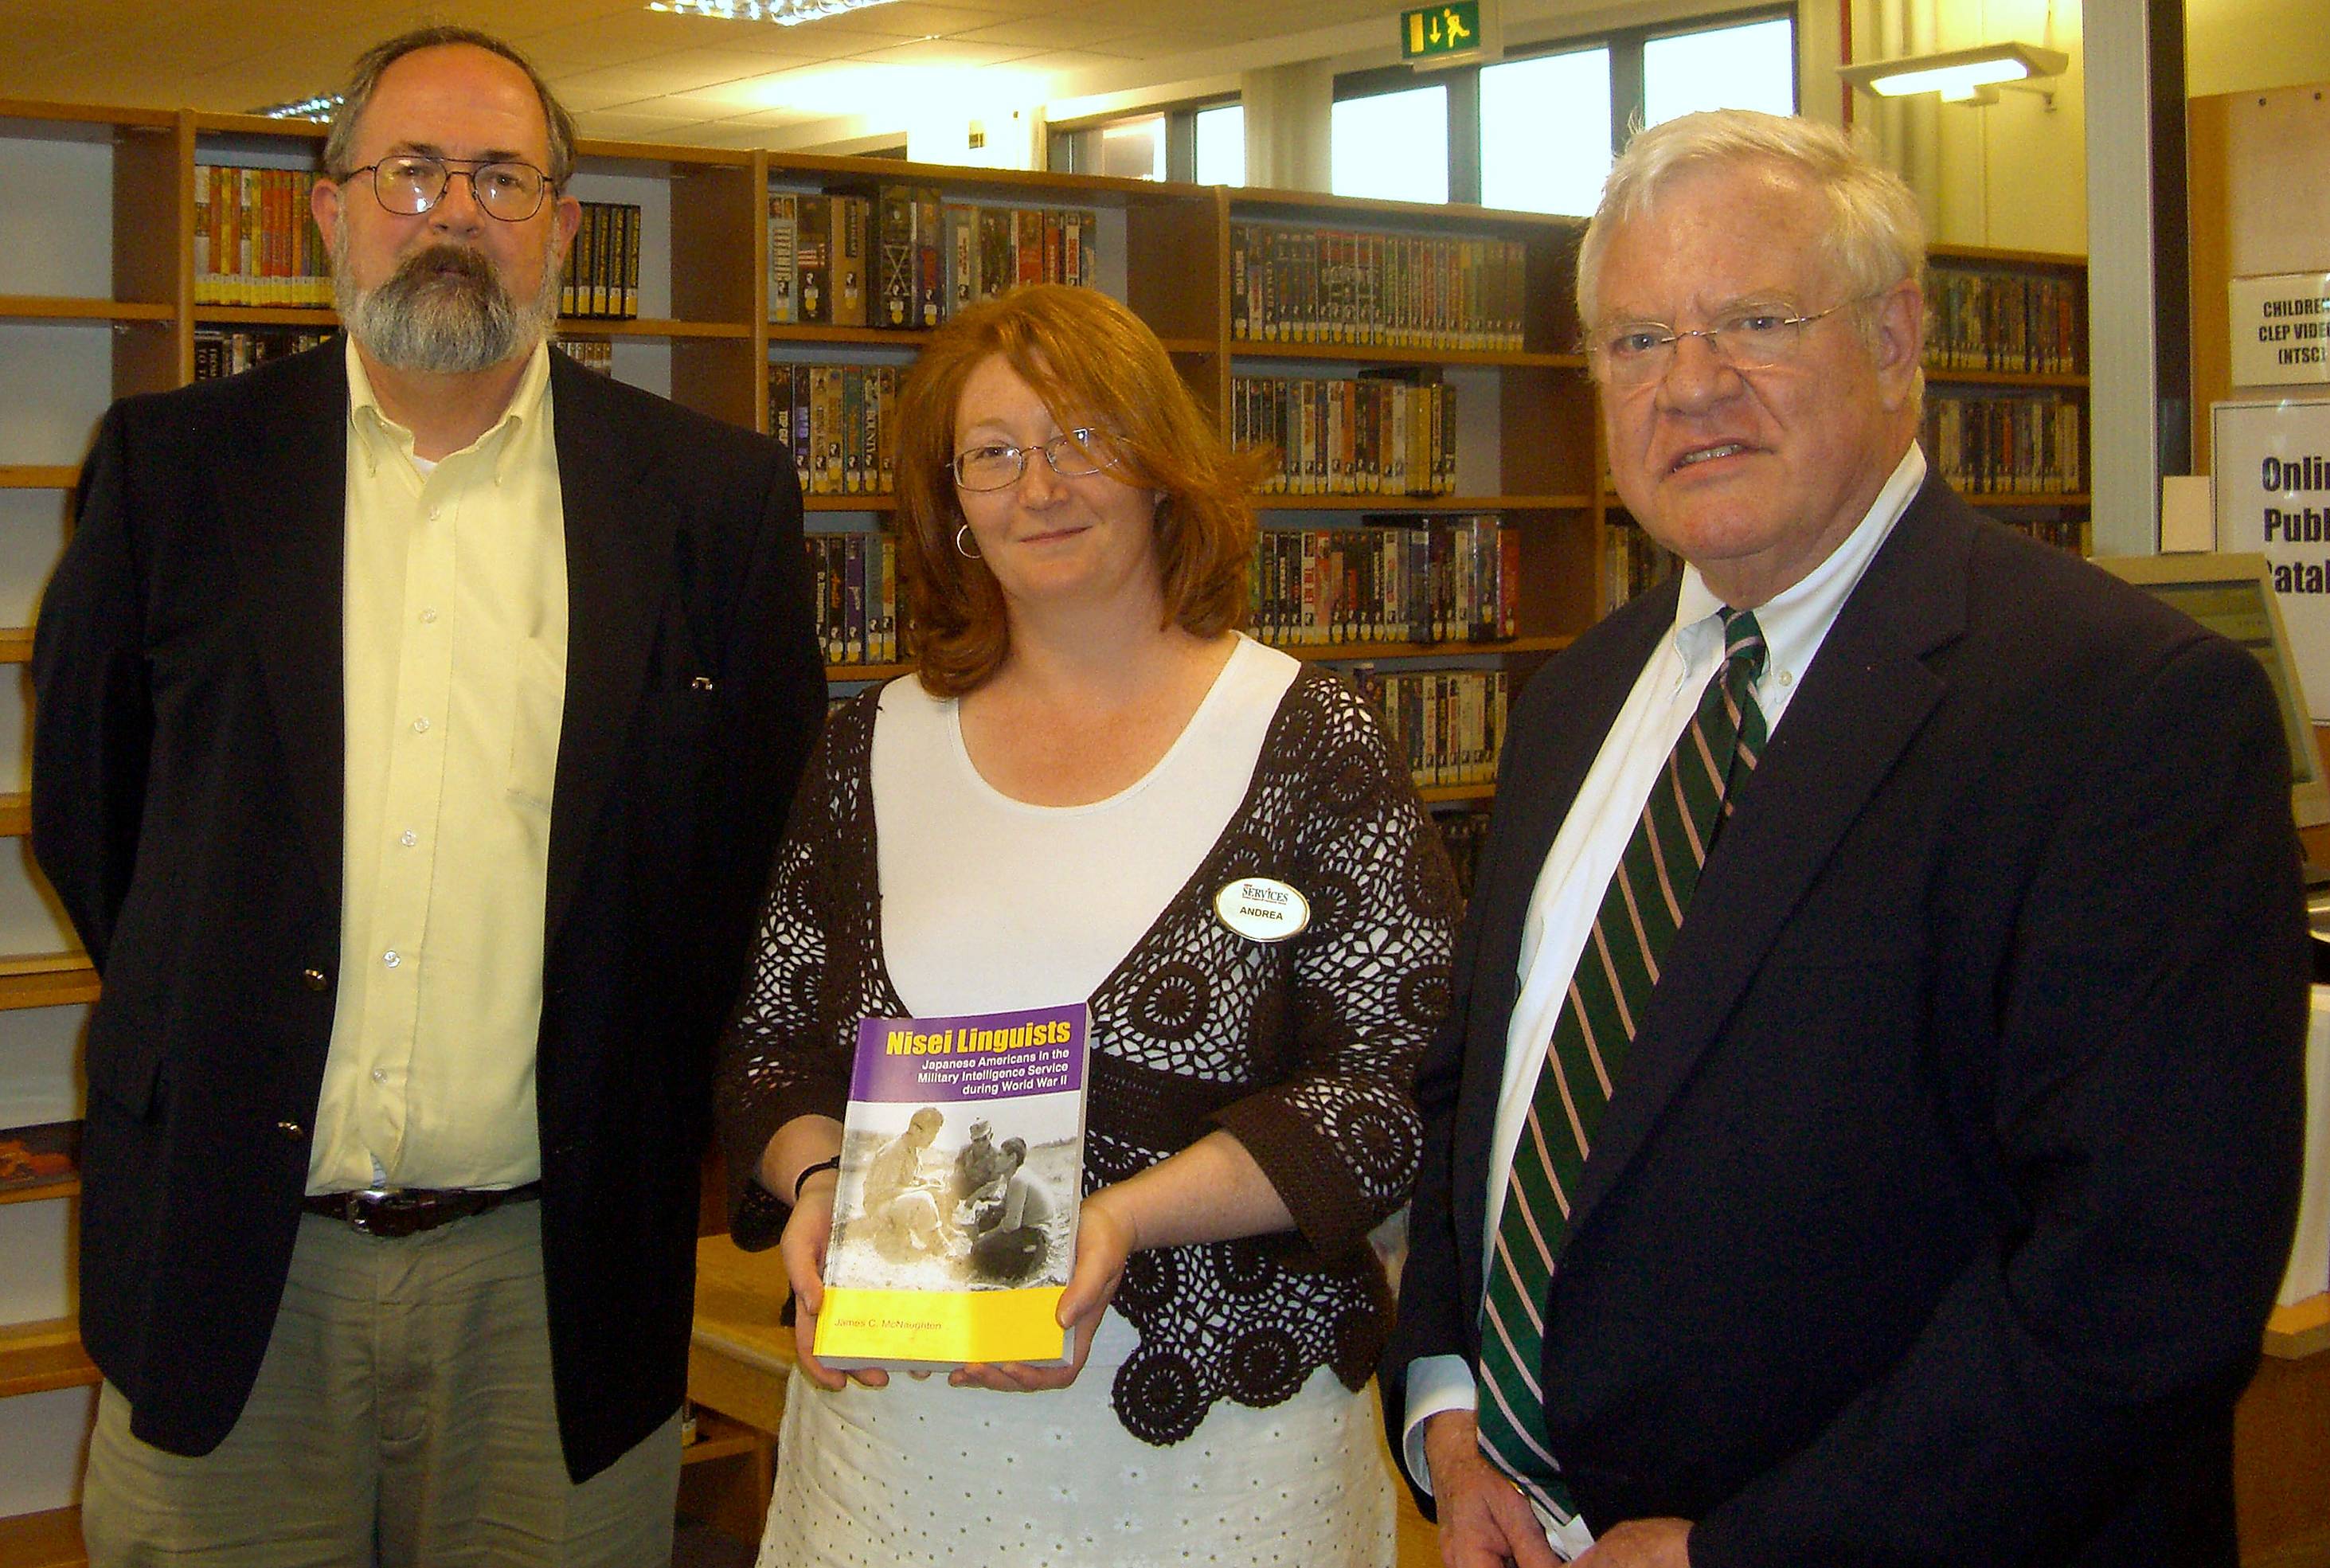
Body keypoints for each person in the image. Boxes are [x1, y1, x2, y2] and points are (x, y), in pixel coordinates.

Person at [1382, 108, 2309, 1568]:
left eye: (1754, 320)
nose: (1692, 386)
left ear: (1893, 339)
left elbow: (2143, 1277)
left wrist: (1742, 1549)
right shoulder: (1575, 698)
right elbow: (1476, 1090)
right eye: (1635, 341)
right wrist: (1449, 1401)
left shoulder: (2125, 711)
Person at [30, 25, 827, 1566]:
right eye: (408, 171)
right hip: (233, 1265)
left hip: (557, 1277)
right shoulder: (172, 472)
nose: (451, 210)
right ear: (327, 208)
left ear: (562, 227)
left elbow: (752, 860)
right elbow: (98, 814)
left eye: (499, 177)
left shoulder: (710, 505)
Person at [717, 282, 1458, 1568]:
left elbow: (1390, 1085)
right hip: (899, 1454)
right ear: (950, 506)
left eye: (1082, 438)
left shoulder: (1310, 740)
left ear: (1165, 468)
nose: (1038, 484)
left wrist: (1125, 1216)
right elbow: (772, 1042)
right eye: (994, 453)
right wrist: (818, 1180)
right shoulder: (866, 748)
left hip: (1220, 1453)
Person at [962, 1136, 1059, 1285]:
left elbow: (1012, 1224)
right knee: (986, 1219)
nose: (996, 1159)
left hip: (1036, 1240)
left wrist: (984, 1238)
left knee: (979, 1252)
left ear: (1012, 1158)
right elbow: (1003, 1208)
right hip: (1034, 1236)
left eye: (1001, 1155)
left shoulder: (1018, 1180)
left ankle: (1006, 1274)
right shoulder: (1017, 1176)